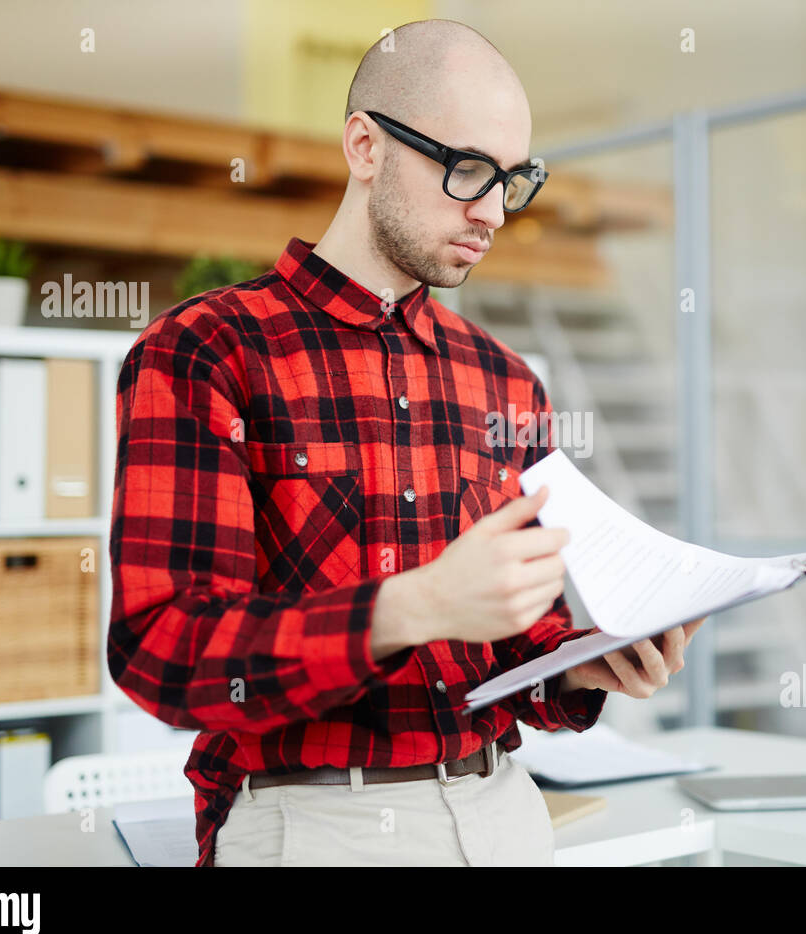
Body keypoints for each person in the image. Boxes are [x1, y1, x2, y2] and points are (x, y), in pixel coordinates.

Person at [108, 17, 704, 867]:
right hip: (313, 826)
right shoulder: (208, 349)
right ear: (365, 146)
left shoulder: (504, 382)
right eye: (467, 169)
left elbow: (515, 638)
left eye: (513, 178)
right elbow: (163, 650)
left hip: (505, 812)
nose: (493, 210)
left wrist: (580, 665)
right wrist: (411, 608)